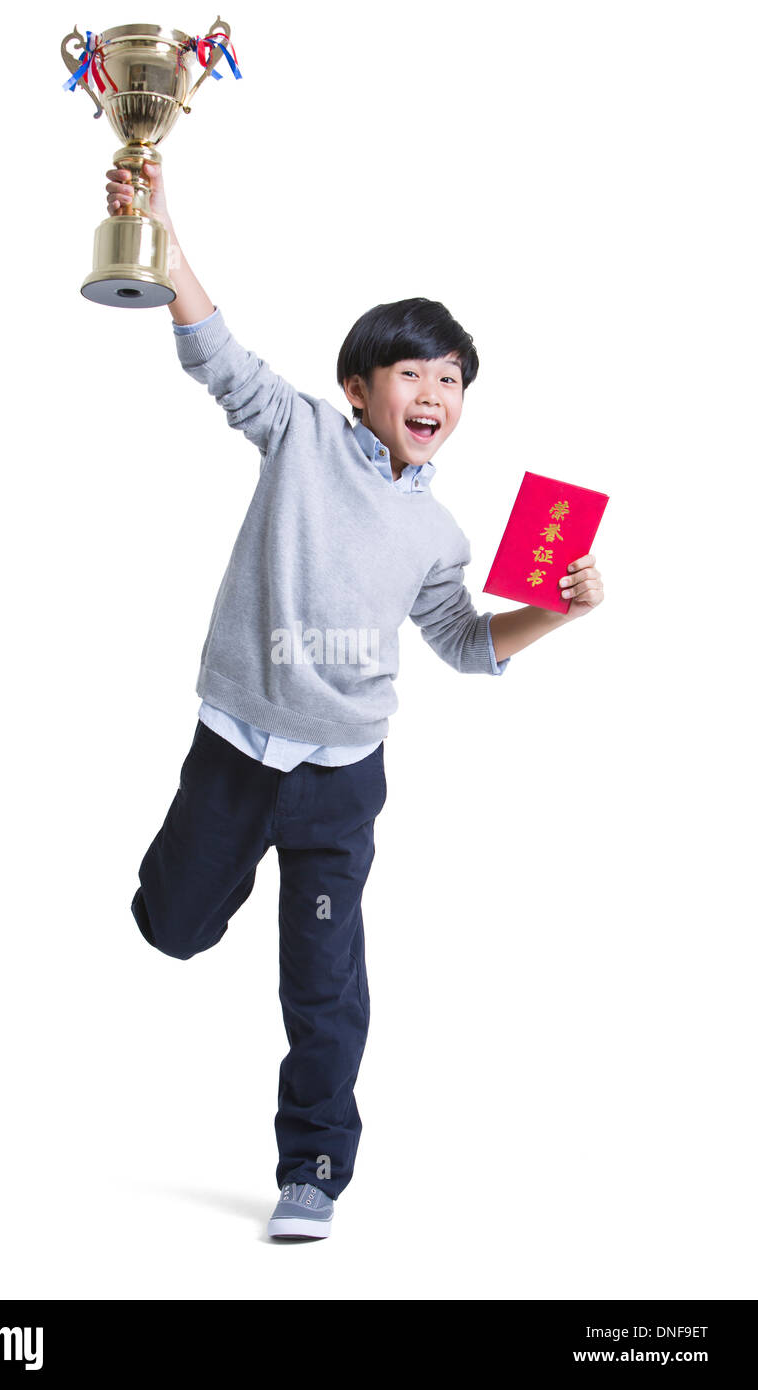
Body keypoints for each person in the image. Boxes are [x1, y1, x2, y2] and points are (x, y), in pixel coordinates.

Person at [112, 160, 605, 1241]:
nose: (432, 395)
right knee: (172, 927)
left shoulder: (441, 536)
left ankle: (313, 1169)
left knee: (324, 984)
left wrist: (554, 614)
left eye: (451, 381)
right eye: (410, 373)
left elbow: (468, 644)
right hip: (235, 750)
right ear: (355, 387)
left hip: (341, 784)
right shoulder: (296, 433)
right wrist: (157, 226)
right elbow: (214, 349)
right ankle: (207, 883)